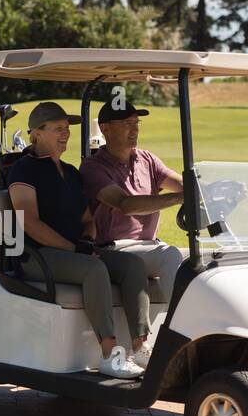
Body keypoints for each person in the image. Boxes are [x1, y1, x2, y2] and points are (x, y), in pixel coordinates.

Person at [8, 101, 150, 379]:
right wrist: (75, 249)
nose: (66, 134)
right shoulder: (24, 170)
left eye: (67, 128)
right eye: (58, 128)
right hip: (36, 255)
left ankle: (140, 346)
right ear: (37, 132)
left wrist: (86, 240)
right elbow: (30, 223)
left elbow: (87, 218)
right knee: (94, 269)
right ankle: (109, 354)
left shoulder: (71, 172)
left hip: (74, 252)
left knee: (133, 265)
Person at [80, 98, 186, 293]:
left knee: (199, 260)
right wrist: (179, 198)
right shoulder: (93, 167)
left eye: (136, 123)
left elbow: (181, 185)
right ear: (105, 129)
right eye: (126, 124)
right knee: (170, 256)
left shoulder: (147, 159)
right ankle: (180, 323)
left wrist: (209, 188)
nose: (134, 129)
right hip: (112, 250)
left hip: (148, 246)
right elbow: (125, 204)